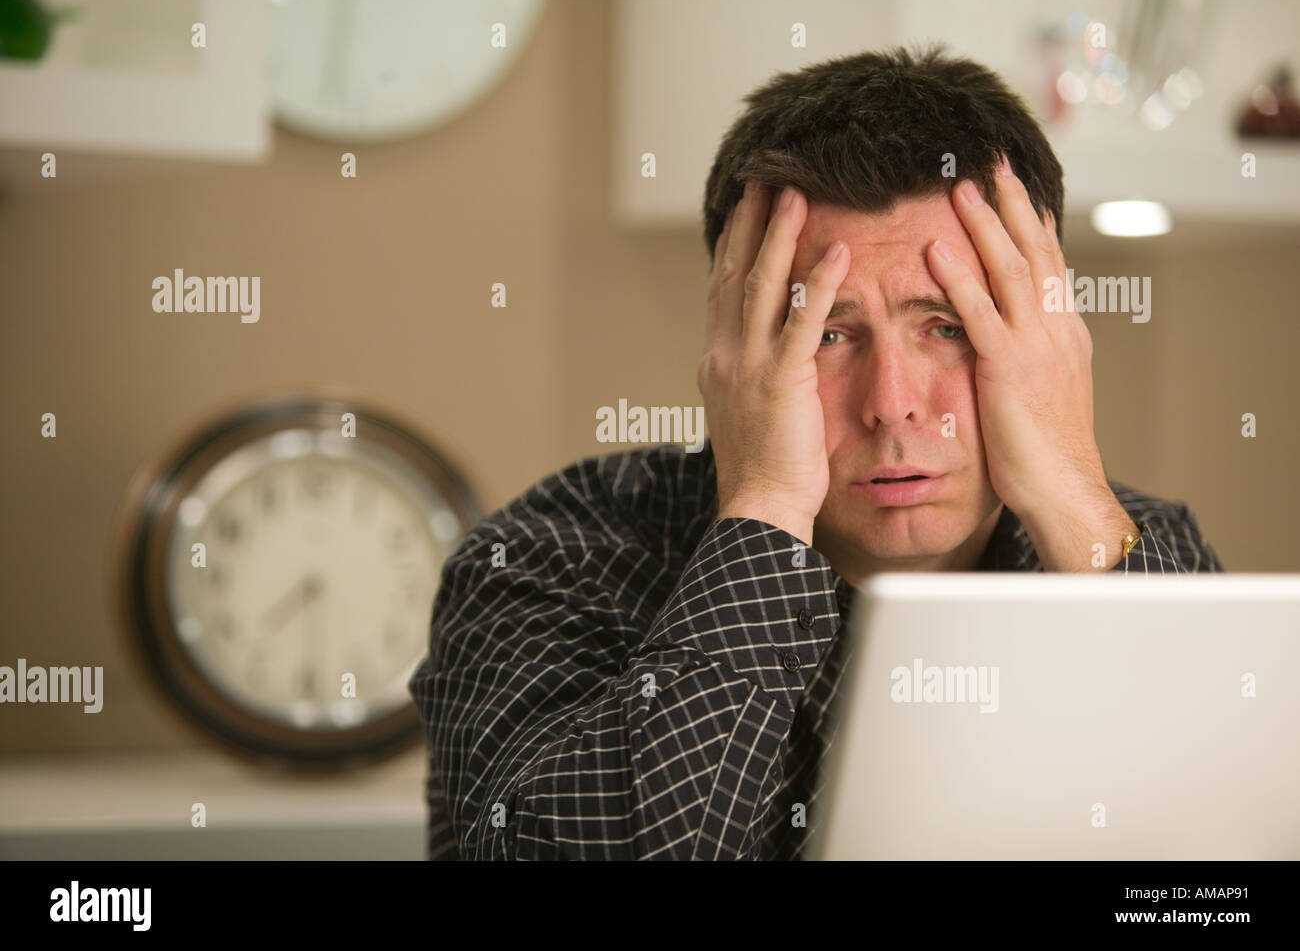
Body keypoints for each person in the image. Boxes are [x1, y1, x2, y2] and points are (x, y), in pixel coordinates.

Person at [408, 45, 1223, 860]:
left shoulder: (1138, 548)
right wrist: (765, 501)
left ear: (1043, 336)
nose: (890, 402)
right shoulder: (546, 561)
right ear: (734, 347)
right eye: (827, 332)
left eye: (947, 325)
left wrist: (1072, 496)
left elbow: (1220, 874)